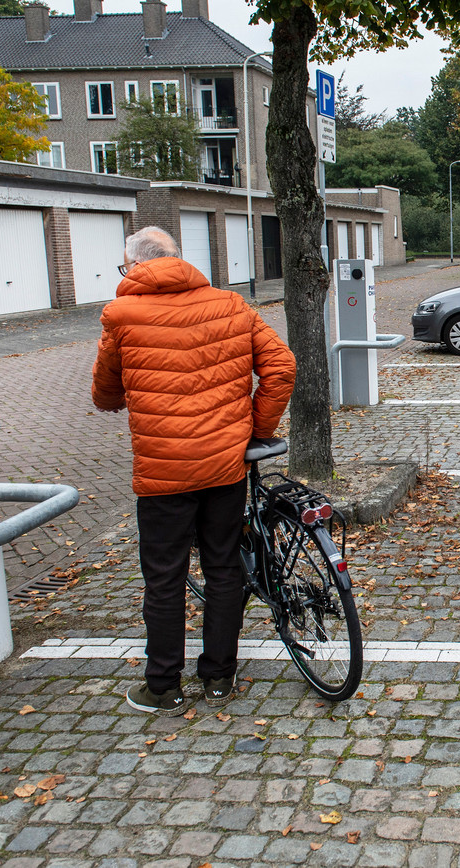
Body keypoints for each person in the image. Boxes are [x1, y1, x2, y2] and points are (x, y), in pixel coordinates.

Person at [92, 226, 295, 716]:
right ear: (178, 259)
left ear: (135, 267)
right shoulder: (231, 305)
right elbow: (282, 366)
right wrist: (255, 430)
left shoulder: (121, 314)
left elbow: (104, 394)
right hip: (224, 467)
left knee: (164, 578)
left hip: (162, 475)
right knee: (225, 568)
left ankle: (163, 686)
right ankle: (219, 678)